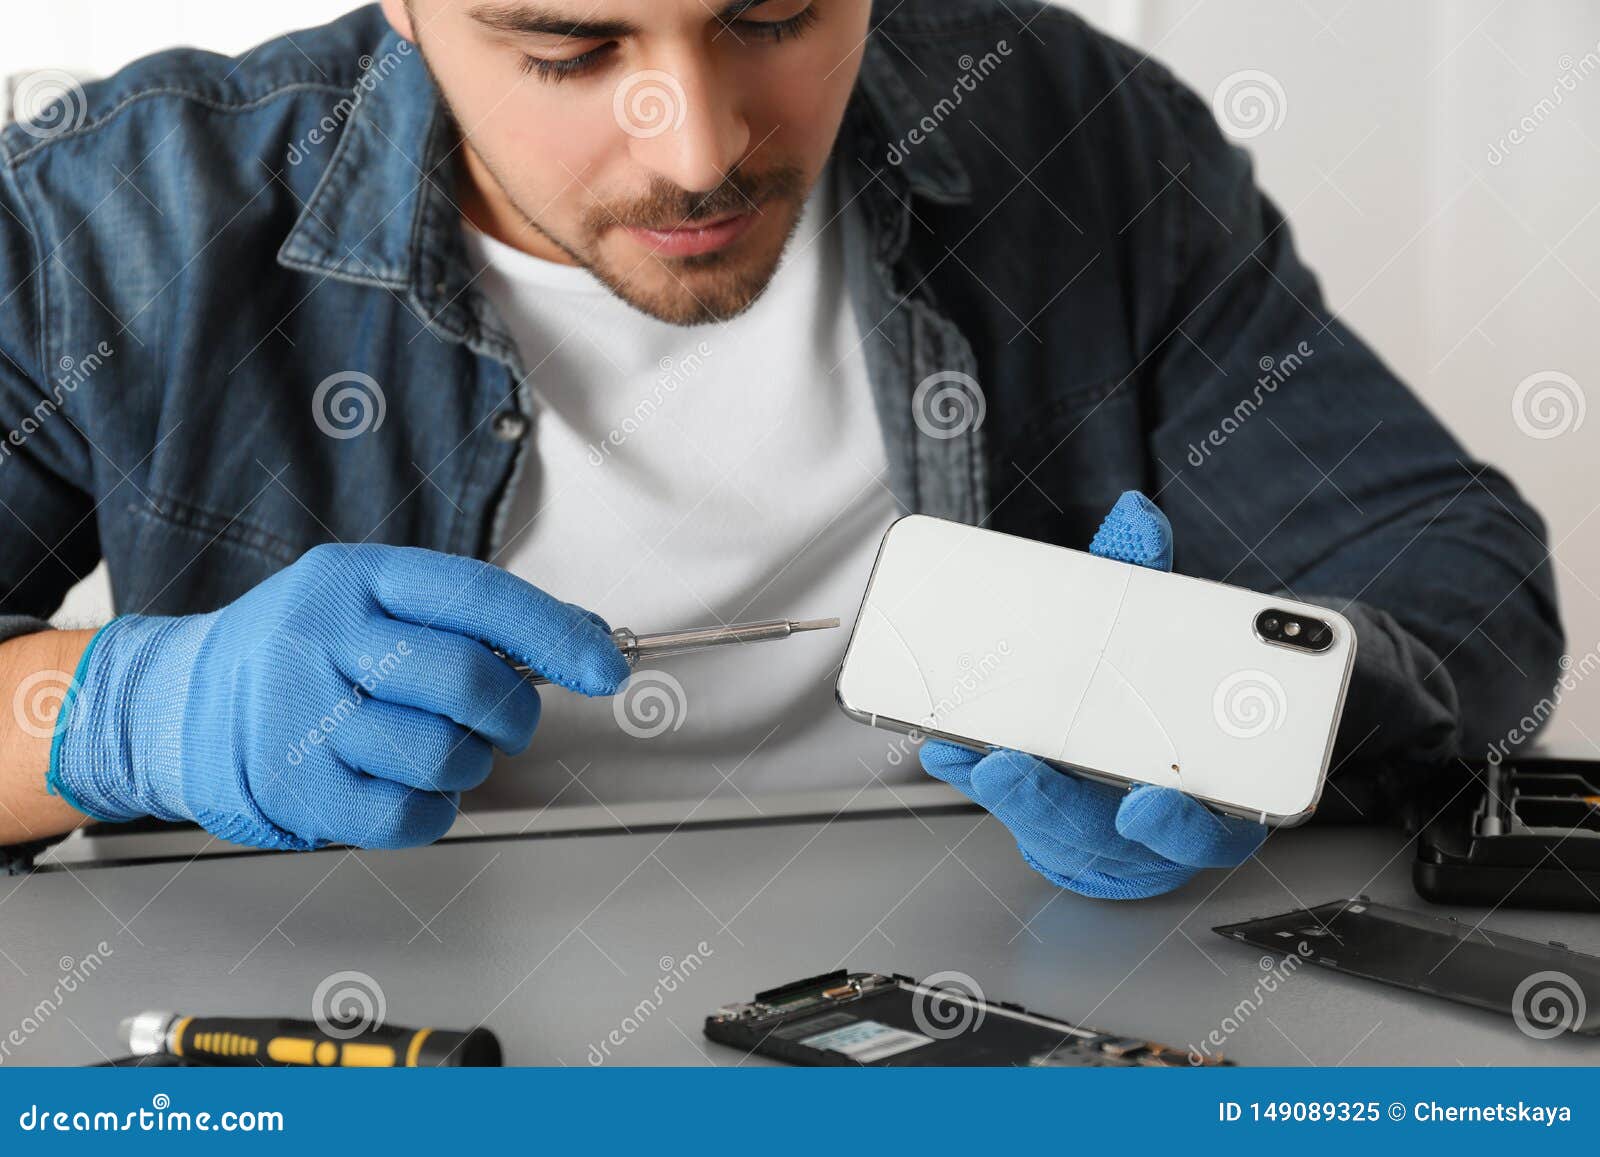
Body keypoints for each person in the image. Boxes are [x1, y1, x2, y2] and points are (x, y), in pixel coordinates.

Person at [0, 0, 1561, 897]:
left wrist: (1241, 705)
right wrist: (126, 713)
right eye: (567, 44)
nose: (699, 147)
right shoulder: (112, 215)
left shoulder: (1077, 130)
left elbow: (1464, 584)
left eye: (773, 12)